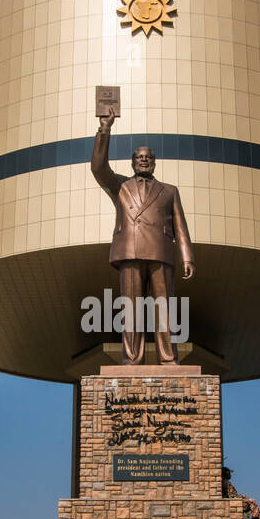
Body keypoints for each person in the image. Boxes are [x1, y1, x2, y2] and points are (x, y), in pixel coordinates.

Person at [91, 110, 195, 364]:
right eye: (139, 157)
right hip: (130, 251)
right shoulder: (120, 186)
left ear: (155, 162)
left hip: (161, 253)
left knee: (164, 309)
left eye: (148, 157)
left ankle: (168, 358)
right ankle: (132, 358)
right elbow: (98, 167)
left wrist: (187, 257)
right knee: (131, 309)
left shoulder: (169, 191)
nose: (144, 160)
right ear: (132, 162)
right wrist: (105, 129)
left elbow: (180, 226)